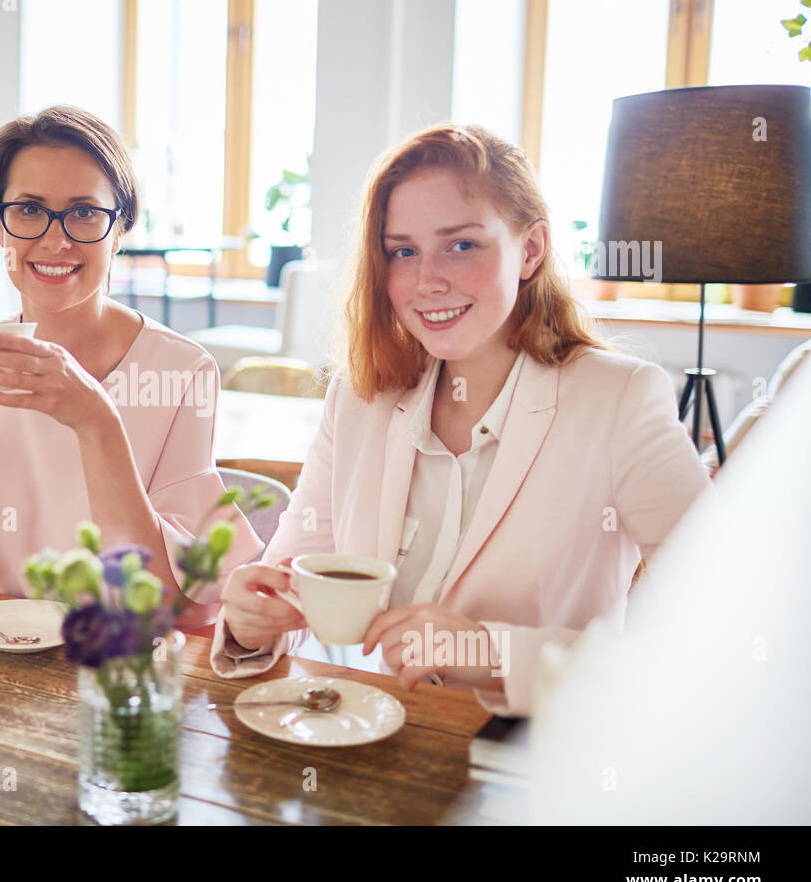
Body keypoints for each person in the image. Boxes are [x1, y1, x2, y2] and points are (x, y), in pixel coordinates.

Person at [210, 123, 713, 715]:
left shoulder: (619, 399)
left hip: (529, 771)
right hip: (363, 741)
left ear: (530, 250)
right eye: (403, 251)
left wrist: (494, 653)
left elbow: (720, 631)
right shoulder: (360, 396)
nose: (427, 280)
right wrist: (251, 622)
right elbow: (294, 586)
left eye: (462, 245)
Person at [0, 105, 261, 627]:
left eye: (84, 212)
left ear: (121, 229)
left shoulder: (181, 372)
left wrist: (95, 420)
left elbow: (161, 601)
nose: (55, 239)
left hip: (116, 671)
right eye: (28, 209)